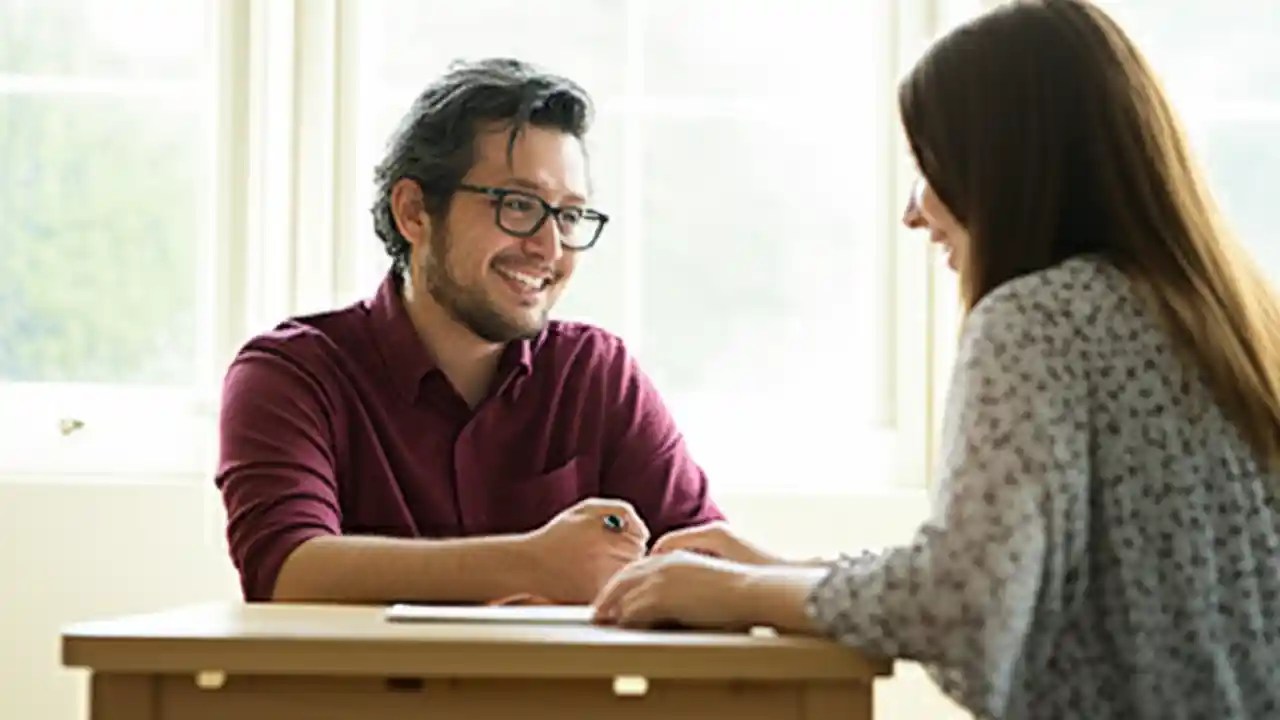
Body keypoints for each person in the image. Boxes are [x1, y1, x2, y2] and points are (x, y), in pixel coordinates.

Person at [590, 1, 1280, 717]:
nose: (914, 212)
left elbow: (966, 603)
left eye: (929, 167)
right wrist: (782, 570)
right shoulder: (1233, 325)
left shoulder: (1036, 322)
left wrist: (736, 594)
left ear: (1008, 167)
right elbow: (1028, 579)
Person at [215, 58, 723, 605]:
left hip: (562, 695)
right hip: (360, 695)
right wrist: (531, 564)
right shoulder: (291, 375)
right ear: (413, 212)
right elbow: (287, 570)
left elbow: (702, 562)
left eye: (569, 216)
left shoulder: (596, 374)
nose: (550, 249)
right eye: (518, 205)